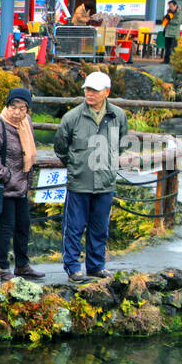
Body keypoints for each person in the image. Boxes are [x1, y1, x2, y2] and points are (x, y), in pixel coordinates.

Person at [53, 71, 128, 283]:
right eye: (87, 89)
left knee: (100, 227)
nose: (89, 93)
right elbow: (60, 146)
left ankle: (96, 266)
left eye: (94, 90)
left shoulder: (118, 116)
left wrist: (109, 164)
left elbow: (121, 142)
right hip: (79, 181)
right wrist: (76, 164)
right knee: (74, 227)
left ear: (107, 92)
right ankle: (73, 267)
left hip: (105, 182)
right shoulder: (72, 117)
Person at [0, 87, 43, 281]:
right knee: (5, 228)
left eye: (22, 108)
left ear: (27, 110)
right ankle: (2, 266)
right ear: (7, 106)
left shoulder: (26, 123)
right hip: (4, 188)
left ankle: (22, 265)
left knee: (23, 226)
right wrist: (5, 175)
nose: (17, 113)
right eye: (13, 107)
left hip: (22, 186)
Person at [160, 0, 182, 64]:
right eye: (169, 6)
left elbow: (177, 22)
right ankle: (166, 60)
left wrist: (170, 20)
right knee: (167, 47)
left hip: (174, 33)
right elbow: (165, 20)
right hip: (167, 33)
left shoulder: (179, 13)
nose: (170, 8)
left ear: (175, 6)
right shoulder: (169, 12)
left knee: (173, 48)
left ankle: (173, 61)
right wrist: (165, 18)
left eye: (171, 6)